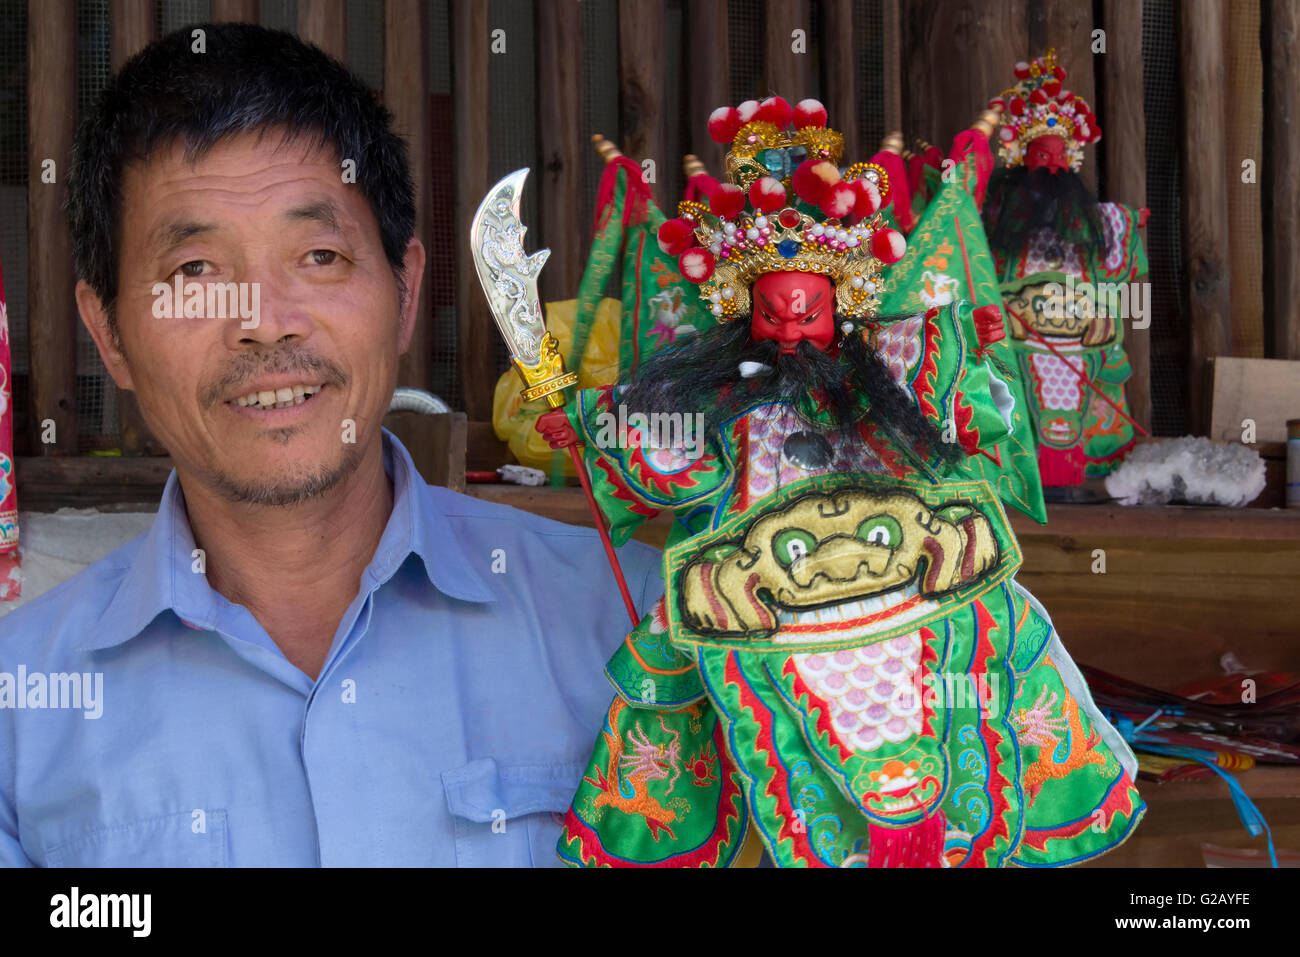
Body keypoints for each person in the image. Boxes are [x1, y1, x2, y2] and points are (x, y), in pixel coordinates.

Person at [0, 23, 659, 867]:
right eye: (195, 271)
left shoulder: (635, 623)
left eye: (319, 254)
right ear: (111, 335)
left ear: (407, 290)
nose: (264, 320)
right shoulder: (23, 717)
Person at [536, 97, 1144, 867]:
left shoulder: (890, 366)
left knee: (1002, 629)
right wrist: (587, 426)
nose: (793, 333)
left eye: (809, 314)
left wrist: (978, 350)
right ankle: (669, 832)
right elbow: (658, 445)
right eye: (776, 317)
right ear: (742, 310)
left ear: (842, 302)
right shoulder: (719, 393)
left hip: (908, 582)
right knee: (676, 655)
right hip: (760, 584)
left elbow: (965, 417)